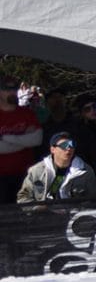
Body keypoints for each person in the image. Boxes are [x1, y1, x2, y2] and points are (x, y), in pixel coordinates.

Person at [17, 132, 96, 205]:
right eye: (64, 145)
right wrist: (37, 208)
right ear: (53, 149)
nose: (69, 148)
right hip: (45, 217)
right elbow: (23, 197)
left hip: (75, 217)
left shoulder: (85, 170)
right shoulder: (36, 171)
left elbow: (94, 199)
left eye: (72, 145)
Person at [0, 75, 45, 203]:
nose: (12, 92)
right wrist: (24, 141)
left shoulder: (27, 113)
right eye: (7, 89)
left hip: (26, 174)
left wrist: (4, 137)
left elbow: (36, 140)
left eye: (14, 89)